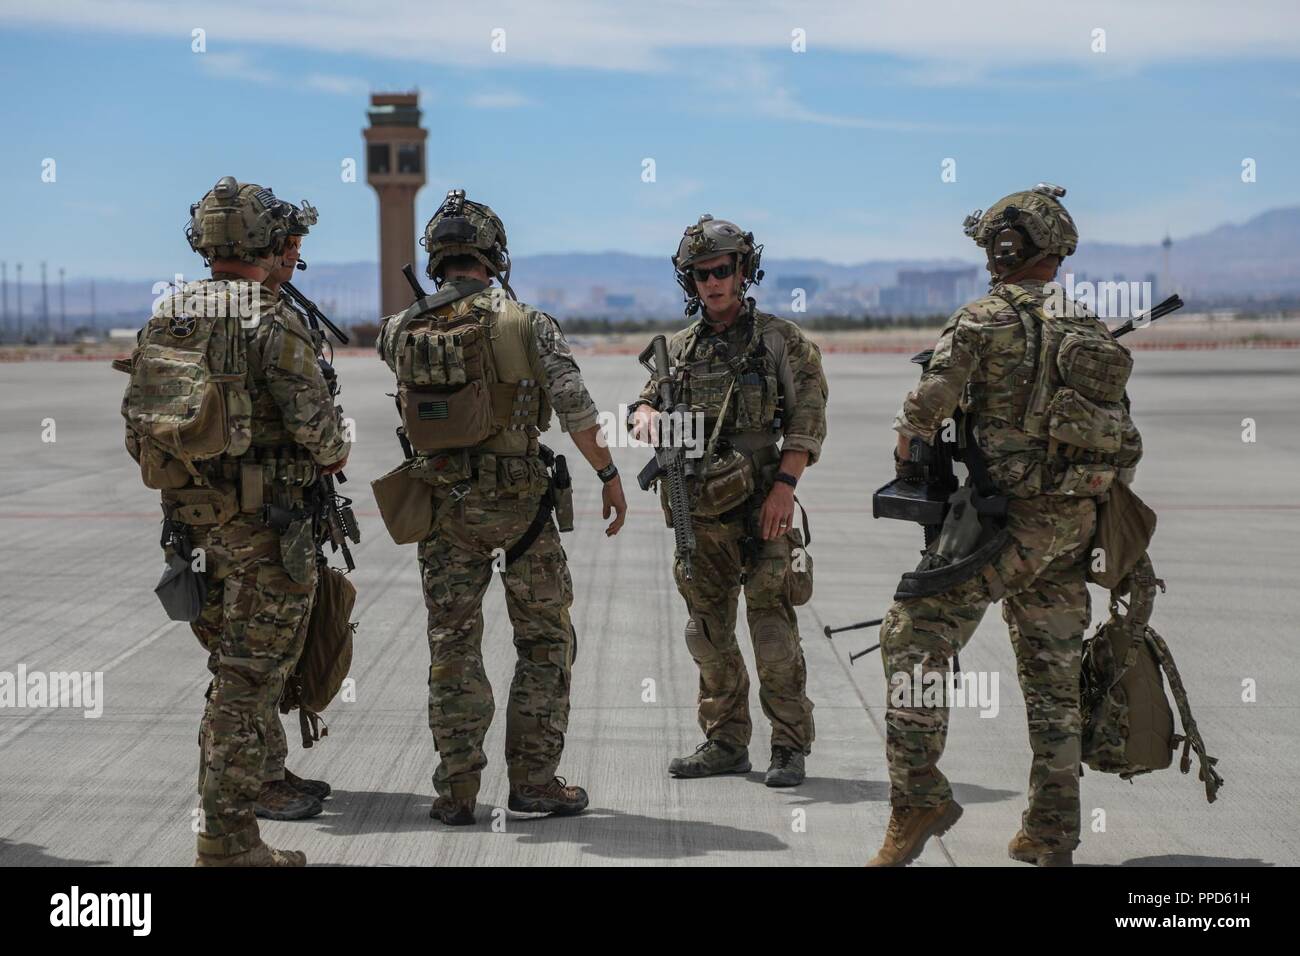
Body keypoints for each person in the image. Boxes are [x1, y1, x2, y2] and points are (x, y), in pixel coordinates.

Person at [867, 184, 1141, 867]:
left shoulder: (981, 320)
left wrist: (911, 457)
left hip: (1006, 527)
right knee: (1053, 679)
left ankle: (917, 799)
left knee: (910, 637)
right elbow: (1122, 444)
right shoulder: (1089, 327)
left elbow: (920, 415)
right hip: (1076, 529)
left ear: (1005, 248)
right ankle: (1050, 833)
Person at [375, 189, 626, 826]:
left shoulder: (400, 329)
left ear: (437, 258)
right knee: (544, 642)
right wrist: (609, 473)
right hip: (520, 509)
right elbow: (576, 412)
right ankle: (535, 784)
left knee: (452, 648)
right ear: (493, 254)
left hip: (441, 507)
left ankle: (456, 792)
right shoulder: (526, 322)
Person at [627, 215, 828, 788]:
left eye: (721, 271)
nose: (712, 282)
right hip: (701, 514)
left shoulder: (780, 341)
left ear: (743, 271)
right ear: (688, 281)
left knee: (773, 634)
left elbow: (808, 421)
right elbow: (642, 407)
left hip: (765, 506)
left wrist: (785, 488)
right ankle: (724, 742)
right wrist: (646, 418)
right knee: (708, 633)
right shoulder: (678, 352)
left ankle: (788, 746)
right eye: (700, 274)